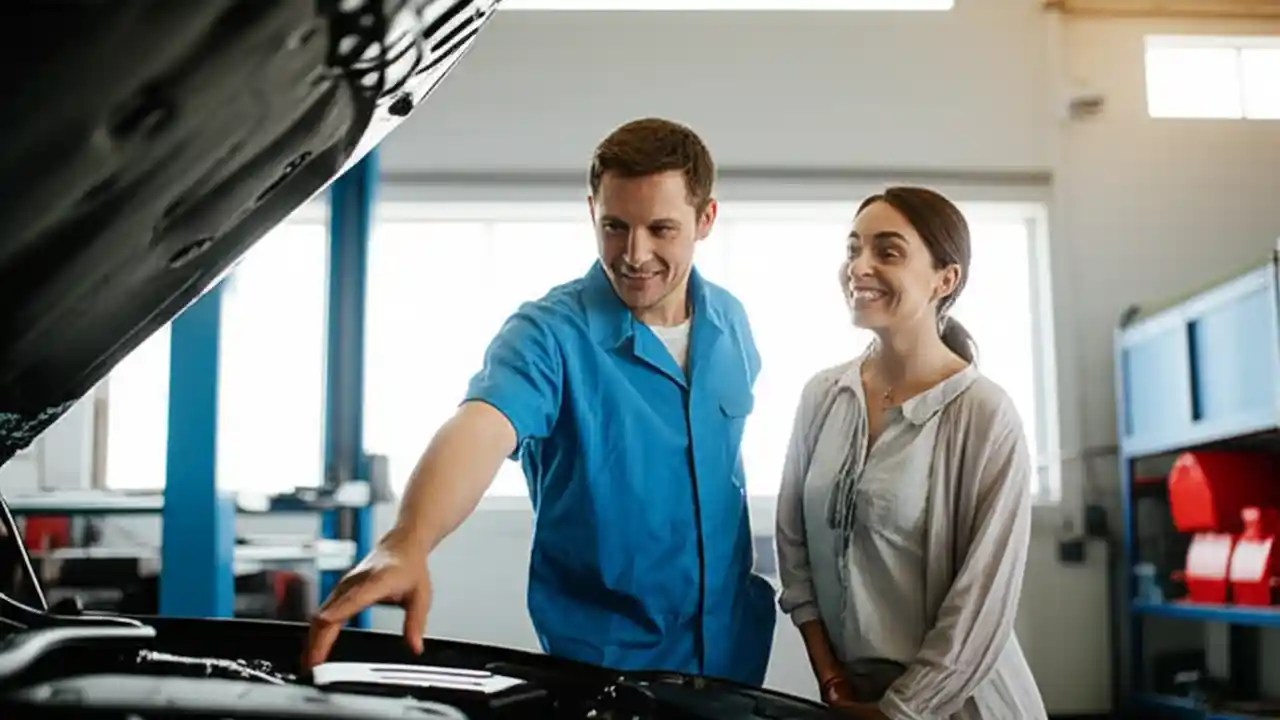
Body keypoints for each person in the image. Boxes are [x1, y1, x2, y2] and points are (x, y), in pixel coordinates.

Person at [303, 117, 776, 686]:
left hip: (732, 662)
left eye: (661, 229)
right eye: (615, 227)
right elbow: (481, 425)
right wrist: (408, 539)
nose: (634, 254)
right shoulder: (549, 335)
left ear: (706, 221)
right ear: (591, 213)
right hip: (606, 672)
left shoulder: (731, 321)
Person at [774, 186, 1047, 719]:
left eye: (887, 251)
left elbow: (980, 607)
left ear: (946, 279)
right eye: (854, 248)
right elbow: (794, 552)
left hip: (964, 706)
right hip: (854, 700)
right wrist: (831, 678)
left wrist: (898, 711)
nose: (859, 266)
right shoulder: (822, 397)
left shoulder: (984, 415)